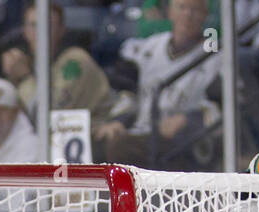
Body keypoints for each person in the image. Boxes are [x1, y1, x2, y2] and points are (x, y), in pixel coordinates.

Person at [94, 0, 220, 169]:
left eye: (195, 10)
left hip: (185, 144)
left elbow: (222, 109)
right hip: (141, 134)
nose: (187, 15)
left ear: (205, 15)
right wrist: (120, 121)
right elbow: (129, 95)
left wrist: (188, 120)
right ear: (170, 12)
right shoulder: (149, 47)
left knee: (120, 147)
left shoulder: (215, 56)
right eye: (182, 8)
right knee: (100, 140)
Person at [0, 1, 118, 131]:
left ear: (61, 30)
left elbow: (51, 116)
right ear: (24, 31)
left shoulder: (74, 61)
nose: (40, 32)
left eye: (48, 25)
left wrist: (25, 78)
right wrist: (13, 79)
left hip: (98, 134)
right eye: (33, 25)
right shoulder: (28, 63)